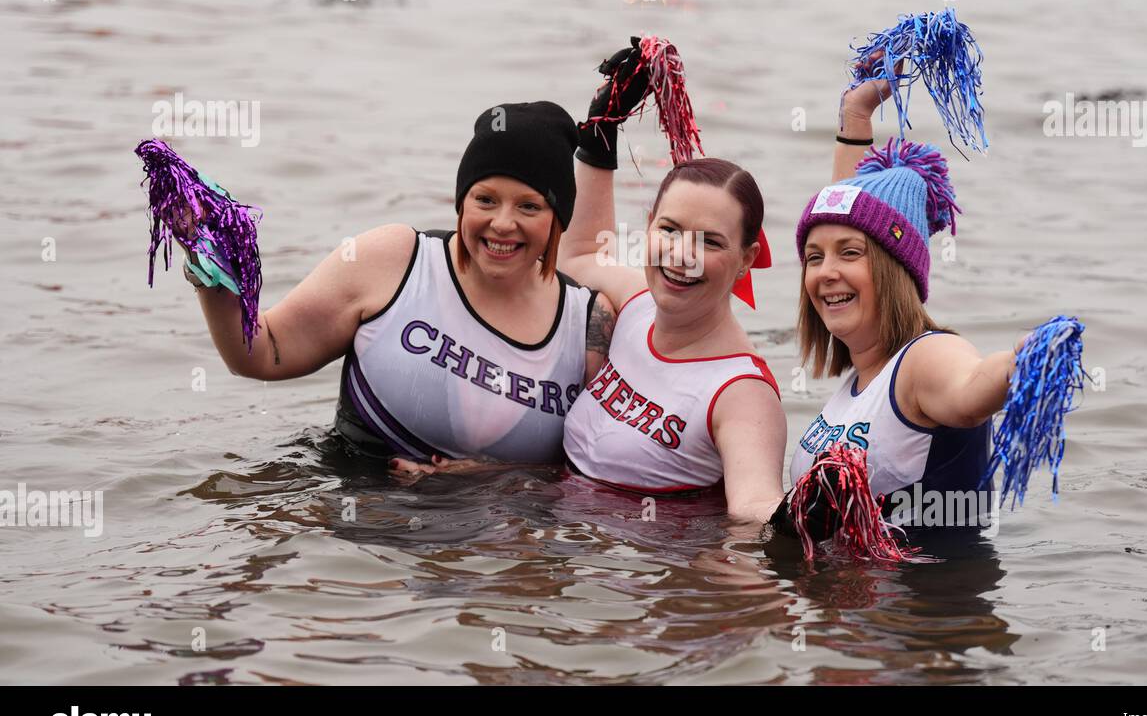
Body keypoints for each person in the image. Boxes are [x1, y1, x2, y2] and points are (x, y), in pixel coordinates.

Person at [177, 100, 615, 470]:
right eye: (485, 199)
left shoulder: (588, 324)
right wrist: (212, 272)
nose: (502, 223)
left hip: (505, 554)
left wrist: (482, 481)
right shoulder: (395, 259)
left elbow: (598, 472)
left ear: (557, 218)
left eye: (529, 206)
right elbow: (262, 354)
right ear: (460, 202)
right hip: (357, 536)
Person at [786, 54, 1027, 530]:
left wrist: (1022, 365)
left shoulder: (925, 360)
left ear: (894, 270)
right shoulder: (862, 379)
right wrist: (855, 117)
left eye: (850, 255)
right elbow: (850, 214)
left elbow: (971, 387)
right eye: (814, 257)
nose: (826, 273)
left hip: (921, 604)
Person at [556, 40, 787, 524]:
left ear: (746, 260)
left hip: (652, 578)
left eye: (710, 242)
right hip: (573, 568)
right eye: (670, 230)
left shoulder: (741, 391)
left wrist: (802, 517)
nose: (682, 256)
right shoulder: (637, 307)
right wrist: (602, 131)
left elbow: (753, 510)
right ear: (648, 228)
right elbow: (578, 257)